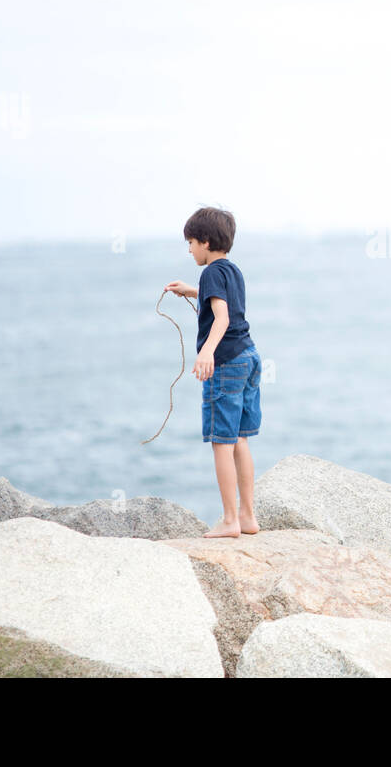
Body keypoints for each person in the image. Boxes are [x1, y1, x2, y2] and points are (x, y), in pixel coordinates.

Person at [164, 206, 261, 538]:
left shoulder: (210, 274)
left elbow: (221, 318)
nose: (189, 249)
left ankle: (230, 520)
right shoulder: (232, 271)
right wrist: (190, 291)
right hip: (248, 356)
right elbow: (223, 303)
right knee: (240, 439)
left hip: (227, 362)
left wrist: (207, 352)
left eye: (190, 243)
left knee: (222, 442)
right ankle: (247, 516)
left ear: (204, 242)